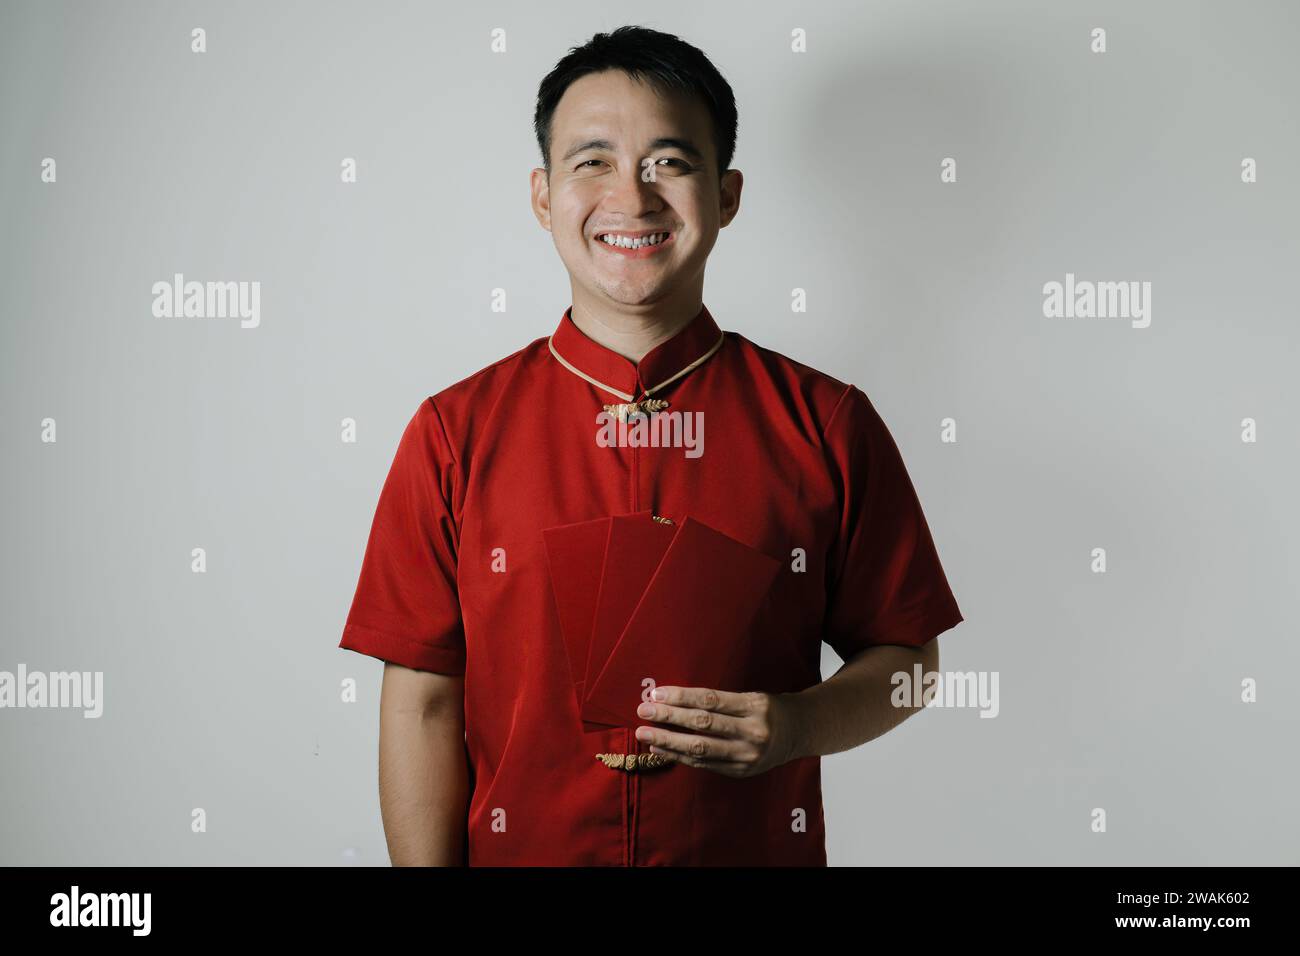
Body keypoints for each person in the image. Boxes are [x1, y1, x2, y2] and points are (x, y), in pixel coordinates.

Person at [339, 24, 963, 866]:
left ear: (728, 194)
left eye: (670, 162)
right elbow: (420, 701)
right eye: (591, 161)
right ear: (541, 194)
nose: (631, 200)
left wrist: (797, 726)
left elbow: (912, 663)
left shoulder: (826, 421)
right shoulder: (454, 433)